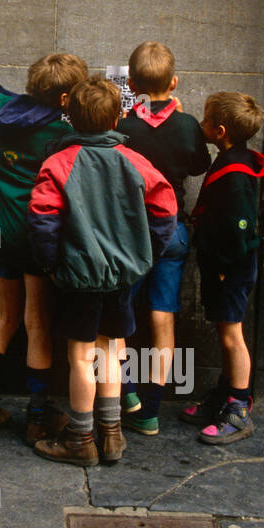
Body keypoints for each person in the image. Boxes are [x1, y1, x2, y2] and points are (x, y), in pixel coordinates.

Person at [27, 76, 177, 465]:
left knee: (80, 357)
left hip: (78, 276)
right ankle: (112, 437)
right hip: (124, 276)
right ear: (118, 117)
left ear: (69, 117)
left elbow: (42, 221)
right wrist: (146, 255)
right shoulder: (136, 161)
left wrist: (51, 263)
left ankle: (80, 439)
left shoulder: (58, 163)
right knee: (111, 351)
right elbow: (165, 212)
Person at [0, 53, 89, 443]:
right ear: (67, 98)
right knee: (37, 324)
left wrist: (26, 102)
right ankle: (37, 417)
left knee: (6, 318)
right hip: (35, 237)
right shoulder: (61, 134)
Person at [116, 42, 210, 435]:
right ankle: (151, 412)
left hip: (131, 233)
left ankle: (127, 392)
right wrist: (185, 122)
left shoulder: (124, 127)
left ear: (132, 83)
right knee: (162, 318)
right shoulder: (187, 125)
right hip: (172, 229)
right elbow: (200, 164)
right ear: (174, 82)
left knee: (118, 316)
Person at [179, 91, 264, 444]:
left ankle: (238, 408)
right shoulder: (231, 158)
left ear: (219, 131)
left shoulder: (235, 171)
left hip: (229, 268)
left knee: (233, 337)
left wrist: (223, 266)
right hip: (223, 266)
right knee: (225, 333)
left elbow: (239, 227)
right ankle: (223, 395)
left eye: (204, 120)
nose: (199, 125)